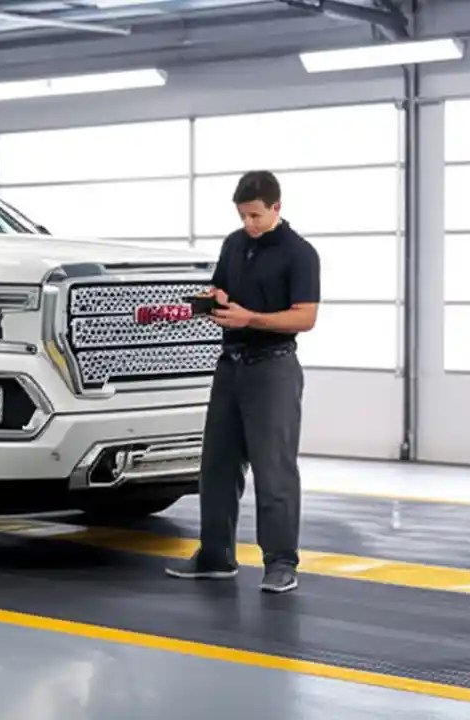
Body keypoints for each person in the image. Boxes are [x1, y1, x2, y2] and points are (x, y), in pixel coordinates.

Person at [165, 170, 320, 594]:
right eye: (243, 215)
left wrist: (251, 318)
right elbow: (223, 289)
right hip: (229, 367)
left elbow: (305, 316)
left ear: (276, 207)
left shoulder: (300, 253)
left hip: (273, 369)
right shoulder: (234, 243)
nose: (249, 223)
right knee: (216, 466)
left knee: (274, 471)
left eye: (255, 215)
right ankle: (215, 556)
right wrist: (211, 301)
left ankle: (281, 563)